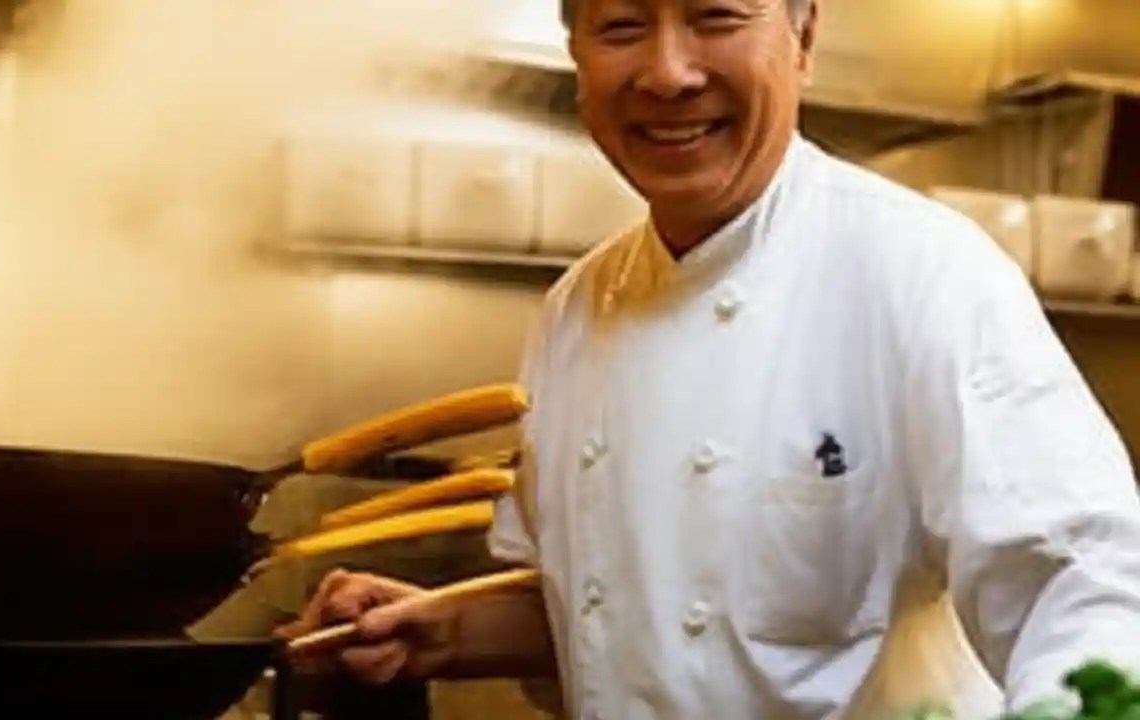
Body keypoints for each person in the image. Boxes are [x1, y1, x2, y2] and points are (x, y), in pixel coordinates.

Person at [277, 0, 1140, 717]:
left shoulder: (921, 272)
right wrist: (441, 629)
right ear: (576, 54)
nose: (667, 73)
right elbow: (611, 610)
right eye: (621, 26)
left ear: (803, 36)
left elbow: (1081, 584)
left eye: (715, 17)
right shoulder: (575, 310)